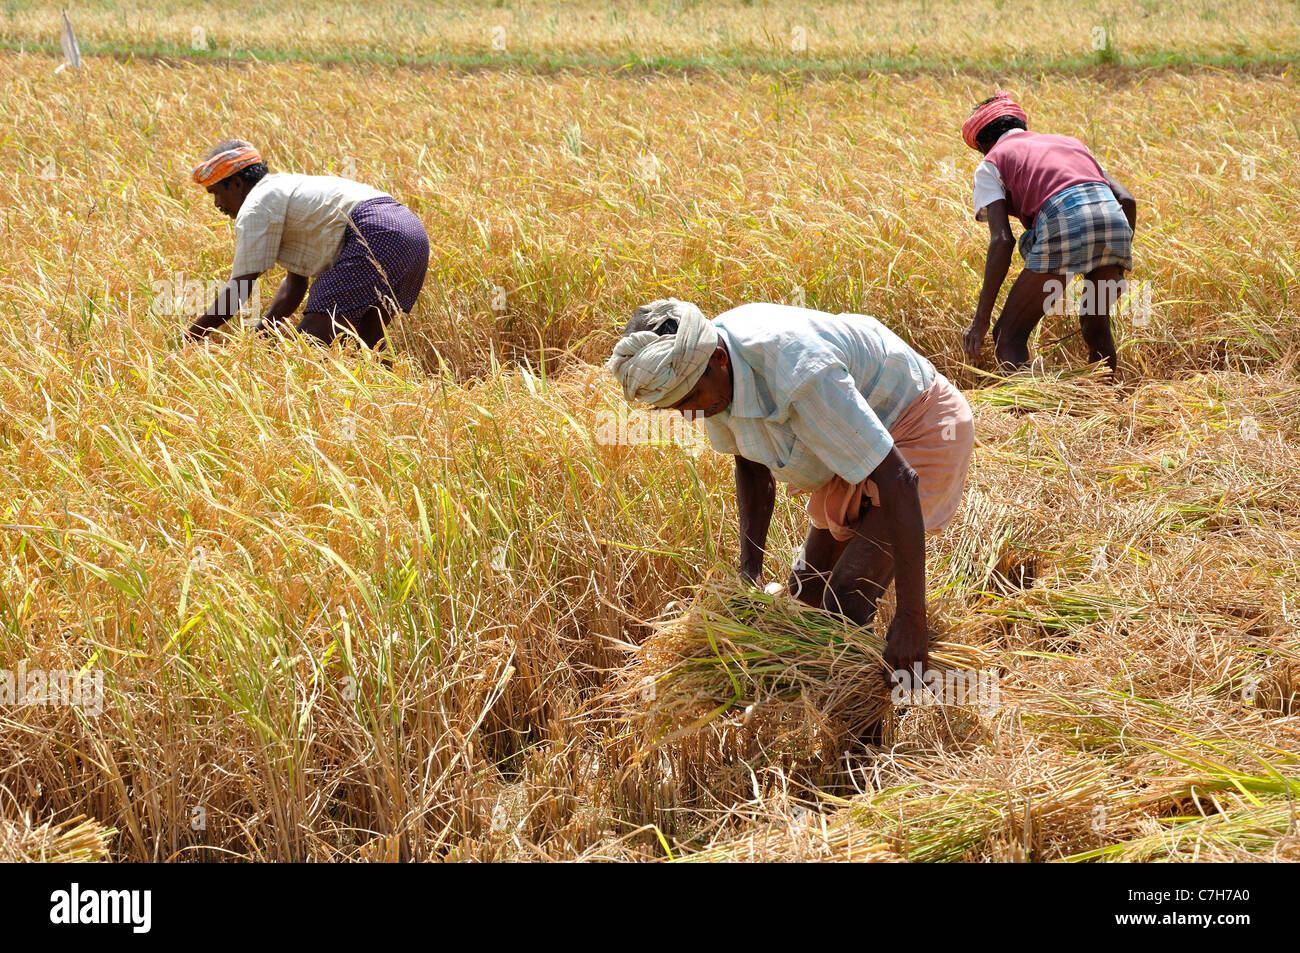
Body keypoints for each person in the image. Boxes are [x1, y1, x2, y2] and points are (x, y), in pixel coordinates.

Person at [607, 299, 975, 691]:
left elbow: (899, 479)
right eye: (676, 408)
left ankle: (860, 743)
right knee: (804, 592)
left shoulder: (799, 373)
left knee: (844, 606)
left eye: (689, 400)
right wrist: (749, 572)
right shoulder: (707, 374)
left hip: (920, 426)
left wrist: (911, 618)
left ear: (718, 359)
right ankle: (839, 714)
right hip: (850, 440)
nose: (689, 416)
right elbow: (750, 464)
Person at [186, 139, 429, 351]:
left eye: (215, 193)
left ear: (237, 183)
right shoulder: (285, 188)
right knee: (369, 344)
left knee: (308, 350)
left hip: (377, 232)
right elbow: (294, 286)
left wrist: (190, 337)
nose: (217, 203)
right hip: (412, 233)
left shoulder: (257, 206)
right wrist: (259, 339)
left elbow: (239, 289)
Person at [959, 92, 1137, 375]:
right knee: (1096, 324)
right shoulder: (1070, 144)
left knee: (1008, 334)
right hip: (1114, 222)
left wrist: (981, 320)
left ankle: (1030, 412)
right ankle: (1111, 403)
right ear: (1022, 126)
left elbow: (1002, 240)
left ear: (982, 145)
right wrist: (1118, 266)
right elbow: (1126, 200)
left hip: (1063, 221)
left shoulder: (991, 163)